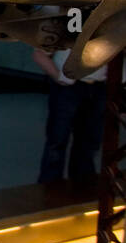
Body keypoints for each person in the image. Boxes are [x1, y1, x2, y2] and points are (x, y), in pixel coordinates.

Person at [34, 47, 107, 183]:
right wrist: (59, 77)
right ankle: (51, 186)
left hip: (98, 87)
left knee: (89, 141)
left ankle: (82, 185)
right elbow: (40, 53)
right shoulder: (69, 26)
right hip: (69, 86)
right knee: (58, 138)